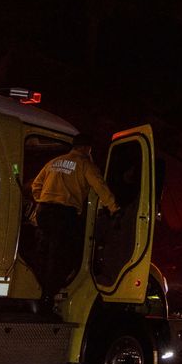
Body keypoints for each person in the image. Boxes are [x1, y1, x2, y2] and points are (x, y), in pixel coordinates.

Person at [30, 133, 120, 314]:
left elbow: (36, 185)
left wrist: (43, 200)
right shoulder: (85, 164)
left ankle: (37, 289)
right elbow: (100, 186)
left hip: (44, 212)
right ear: (86, 148)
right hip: (64, 215)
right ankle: (48, 297)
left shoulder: (54, 162)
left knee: (43, 252)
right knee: (61, 255)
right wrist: (114, 208)